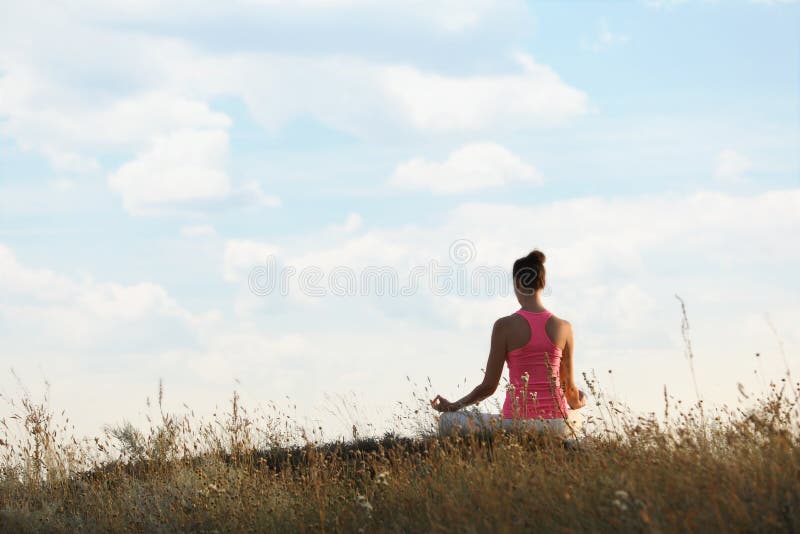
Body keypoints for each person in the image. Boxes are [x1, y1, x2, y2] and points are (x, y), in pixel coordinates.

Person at [430, 249, 586, 437]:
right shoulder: (564, 327)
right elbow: (569, 390)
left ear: (518, 283)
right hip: (556, 425)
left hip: (516, 424)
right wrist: (580, 403)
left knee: (449, 421)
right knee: (575, 416)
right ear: (543, 283)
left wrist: (455, 406)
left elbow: (488, 387)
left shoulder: (504, 326)